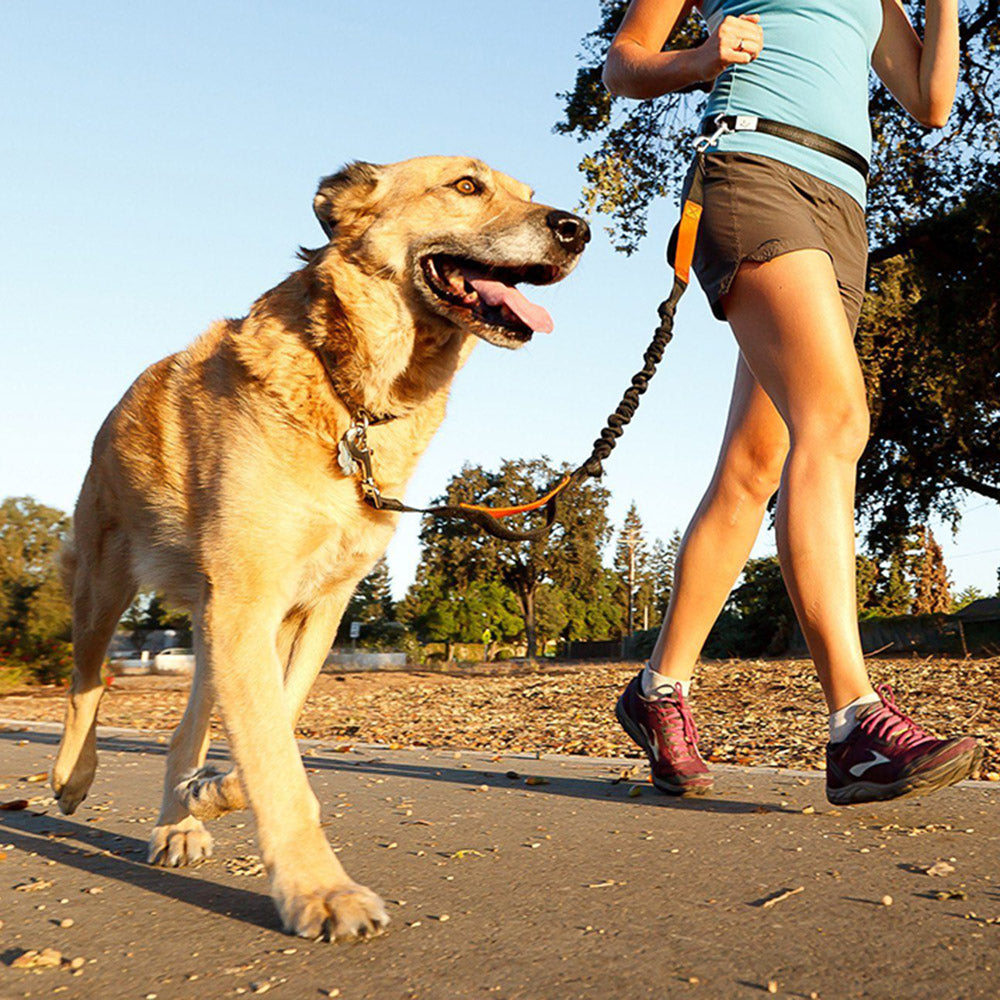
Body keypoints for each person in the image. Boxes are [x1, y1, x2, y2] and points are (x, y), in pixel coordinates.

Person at [604, 0, 980, 804]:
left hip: (844, 205)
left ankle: (658, 689)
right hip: (752, 165)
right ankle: (855, 722)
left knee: (754, 466)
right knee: (835, 420)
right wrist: (699, 60)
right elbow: (624, 62)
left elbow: (931, 103)